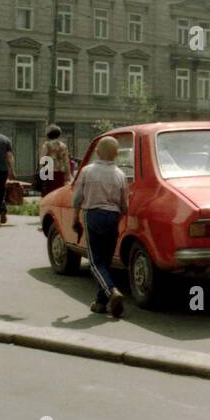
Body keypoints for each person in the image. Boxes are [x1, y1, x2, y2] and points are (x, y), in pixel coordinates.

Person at [70, 135, 127, 317]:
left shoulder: (87, 171)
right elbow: (124, 206)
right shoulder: (120, 174)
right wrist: (117, 218)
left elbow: (78, 198)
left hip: (93, 214)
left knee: (94, 262)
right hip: (113, 216)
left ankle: (112, 291)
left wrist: (74, 219)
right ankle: (100, 303)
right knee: (106, 261)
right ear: (116, 154)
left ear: (97, 152)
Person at [39, 125, 71, 195]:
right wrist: (68, 175)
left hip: (49, 172)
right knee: (58, 192)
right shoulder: (63, 146)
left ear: (48, 134)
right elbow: (66, 161)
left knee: (49, 192)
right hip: (60, 172)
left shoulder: (46, 145)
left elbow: (42, 159)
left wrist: (41, 173)